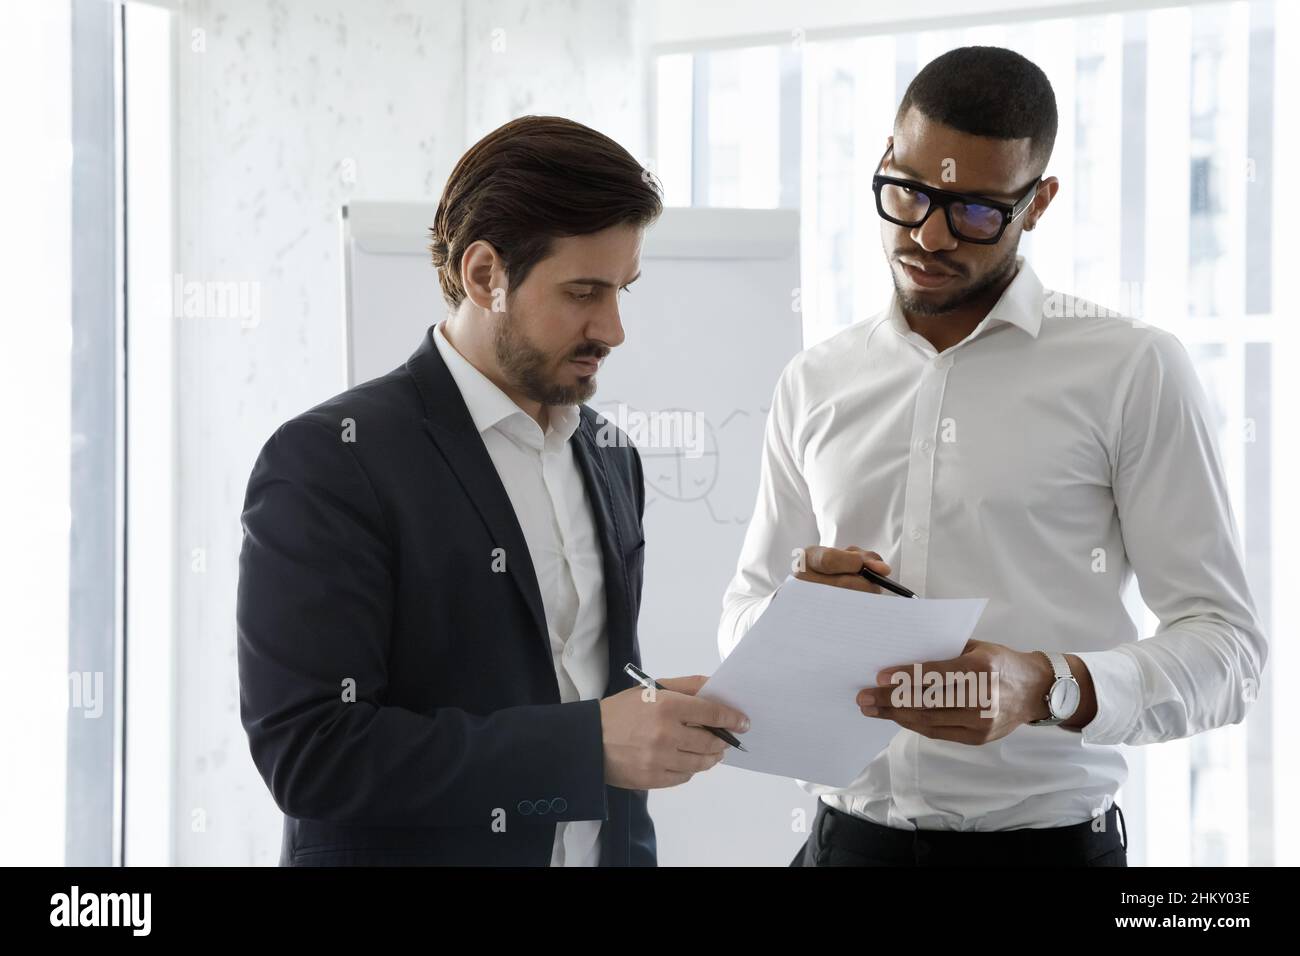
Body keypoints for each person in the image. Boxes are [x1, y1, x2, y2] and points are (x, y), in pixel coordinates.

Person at [719, 46, 1267, 867]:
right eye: (908, 192)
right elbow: (742, 615)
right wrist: (797, 617)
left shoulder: (1132, 369)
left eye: (975, 211)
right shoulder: (816, 379)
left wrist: (1049, 687)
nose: (928, 235)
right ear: (883, 160)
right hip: (841, 847)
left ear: (1037, 203)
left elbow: (1227, 651)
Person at [238, 115, 749, 867]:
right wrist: (586, 744)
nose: (613, 329)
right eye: (583, 292)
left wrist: (639, 730)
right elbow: (312, 754)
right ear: (485, 277)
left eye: (621, 291)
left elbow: (594, 698)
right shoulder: (330, 461)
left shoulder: (612, 456)